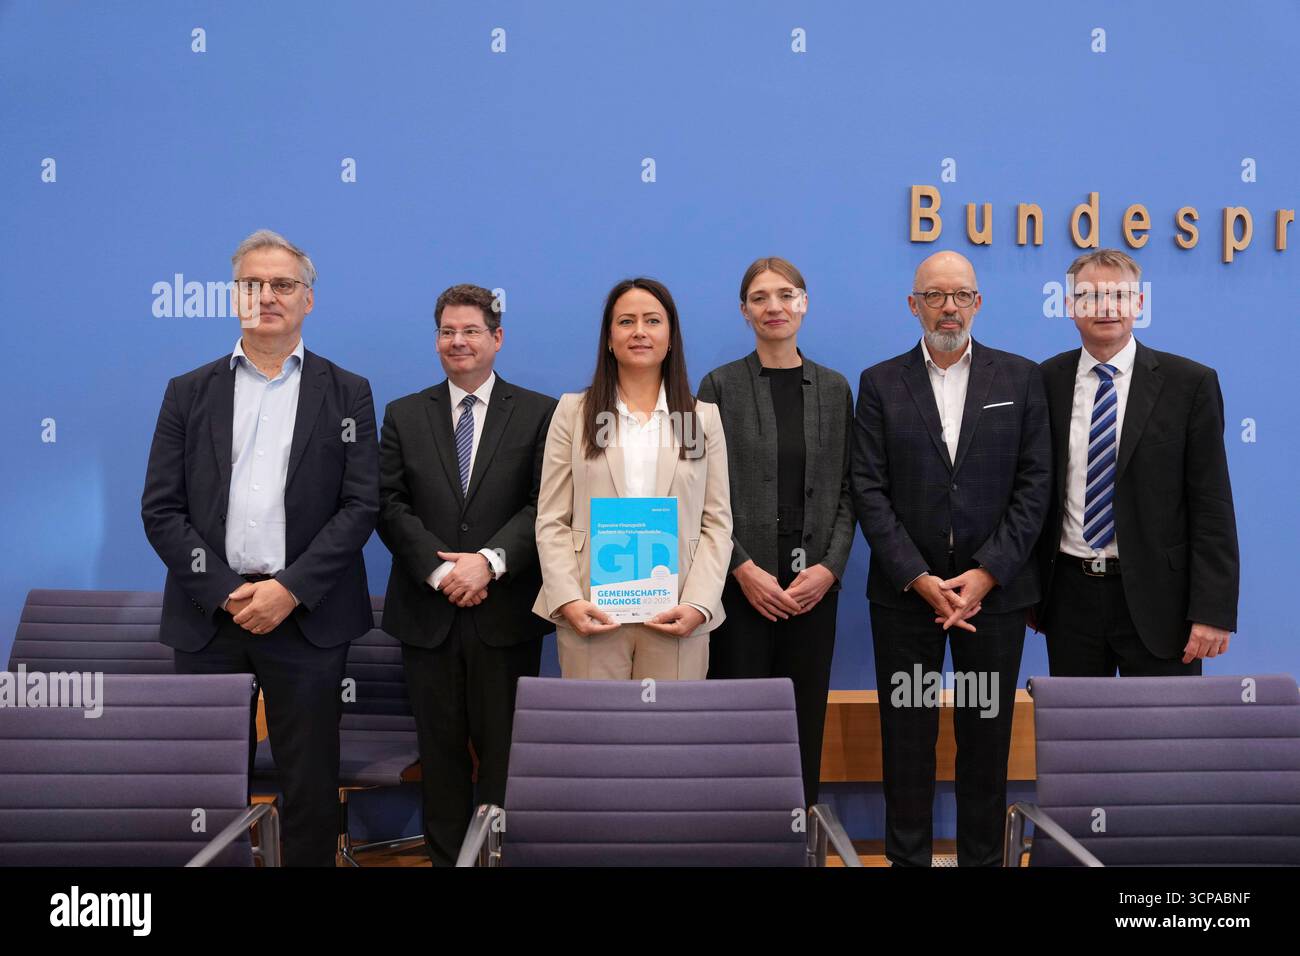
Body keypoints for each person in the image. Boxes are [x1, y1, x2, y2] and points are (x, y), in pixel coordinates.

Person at [141, 229, 378, 867]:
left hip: (307, 616)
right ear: (234, 296)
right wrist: (224, 591)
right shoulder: (187, 392)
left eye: (282, 285)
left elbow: (361, 506)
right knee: (205, 786)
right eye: (252, 284)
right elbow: (161, 510)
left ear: (307, 300)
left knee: (308, 787)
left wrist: (288, 589)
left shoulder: (347, 391)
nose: (266, 296)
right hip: (207, 617)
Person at [851, 250, 1050, 867]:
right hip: (907, 601)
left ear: (978, 303)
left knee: (986, 741)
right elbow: (868, 487)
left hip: (992, 602)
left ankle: (982, 862)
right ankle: (907, 861)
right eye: (935, 295)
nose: (949, 307)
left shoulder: (1019, 378)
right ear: (914, 304)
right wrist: (918, 577)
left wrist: (987, 574)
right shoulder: (881, 383)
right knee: (907, 740)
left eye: (961, 295)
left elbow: (1035, 482)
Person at [377, 283, 556, 866]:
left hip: (504, 615)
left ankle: (500, 859)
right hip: (428, 616)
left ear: (497, 338)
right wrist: (439, 571)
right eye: (448, 331)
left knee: (505, 757)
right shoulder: (404, 414)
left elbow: (545, 504)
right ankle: (447, 860)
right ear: (436, 341)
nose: (459, 341)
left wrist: (489, 563)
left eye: (471, 330)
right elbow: (388, 503)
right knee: (441, 756)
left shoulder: (540, 413)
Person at [1035, 249, 1239, 675]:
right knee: (1079, 738)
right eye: (1090, 296)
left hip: (1163, 601)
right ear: (1069, 306)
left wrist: (1213, 609)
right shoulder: (1044, 380)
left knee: (1162, 739)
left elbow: (1211, 504)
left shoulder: (1191, 384)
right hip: (1069, 596)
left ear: (1139, 304)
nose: (1106, 307)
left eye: (1119, 295)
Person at [698, 256, 854, 809]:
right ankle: (735, 840)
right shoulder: (718, 387)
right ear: (744, 311)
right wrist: (742, 569)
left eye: (786, 295)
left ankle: (797, 841)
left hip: (812, 588)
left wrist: (830, 568)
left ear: (804, 304)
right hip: (741, 588)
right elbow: (701, 493)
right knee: (738, 724)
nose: (774, 307)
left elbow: (847, 493)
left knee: (802, 721)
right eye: (760, 298)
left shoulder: (834, 390)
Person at [533, 277, 732, 680]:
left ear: (671, 337)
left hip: (675, 613)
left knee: (669, 739)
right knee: (596, 737)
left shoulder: (697, 418)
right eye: (626, 321)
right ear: (609, 338)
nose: (640, 331)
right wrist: (569, 599)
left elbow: (716, 523)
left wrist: (698, 603)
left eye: (652, 321)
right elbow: (552, 518)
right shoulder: (575, 413)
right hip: (593, 612)